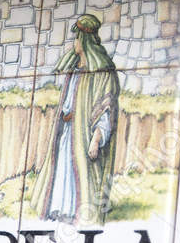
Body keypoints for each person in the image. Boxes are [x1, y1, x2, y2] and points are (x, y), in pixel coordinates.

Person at [32, 14, 121, 227]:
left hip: (83, 135)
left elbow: (105, 109)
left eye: (77, 38)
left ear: (85, 40)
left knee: (79, 173)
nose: (74, 43)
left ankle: (77, 214)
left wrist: (96, 139)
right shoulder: (75, 69)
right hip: (66, 132)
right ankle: (60, 210)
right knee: (62, 169)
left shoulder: (102, 72)